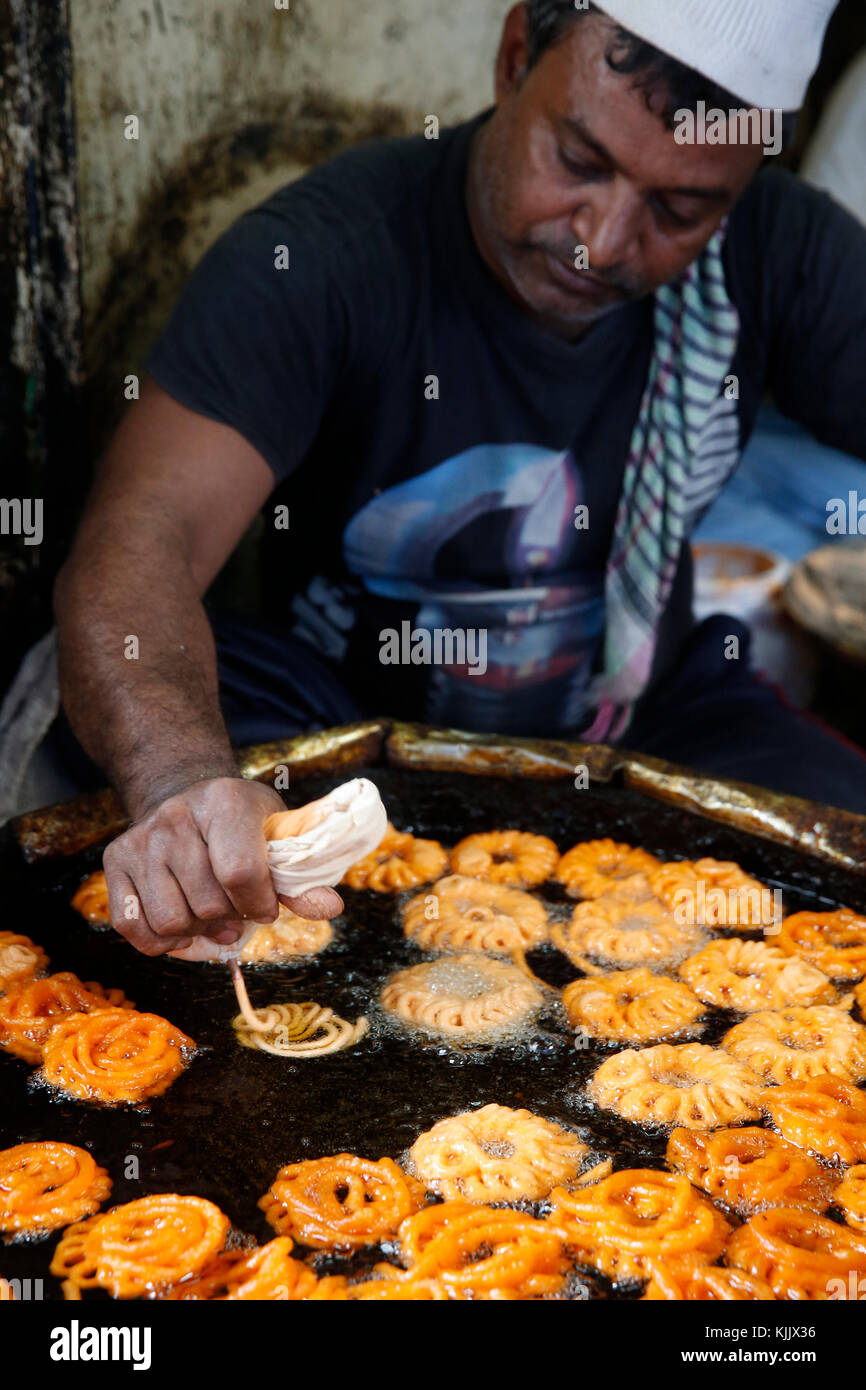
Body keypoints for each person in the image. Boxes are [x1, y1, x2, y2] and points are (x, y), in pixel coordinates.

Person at [54, 0, 866, 957]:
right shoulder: (323, 253)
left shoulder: (782, 251)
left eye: (679, 211)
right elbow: (141, 538)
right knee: (161, 863)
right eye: (577, 161)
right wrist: (182, 779)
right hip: (339, 718)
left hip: (646, 716)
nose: (601, 242)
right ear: (516, 54)